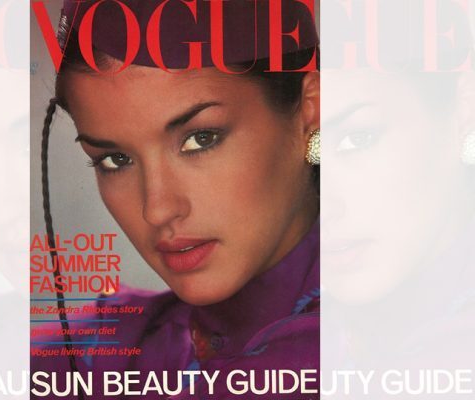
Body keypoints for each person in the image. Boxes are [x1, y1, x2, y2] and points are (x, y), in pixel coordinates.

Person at [32, 1, 320, 398]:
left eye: (201, 139)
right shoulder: (104, 353)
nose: (157, 209)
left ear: (310, 109)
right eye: (115, 160)